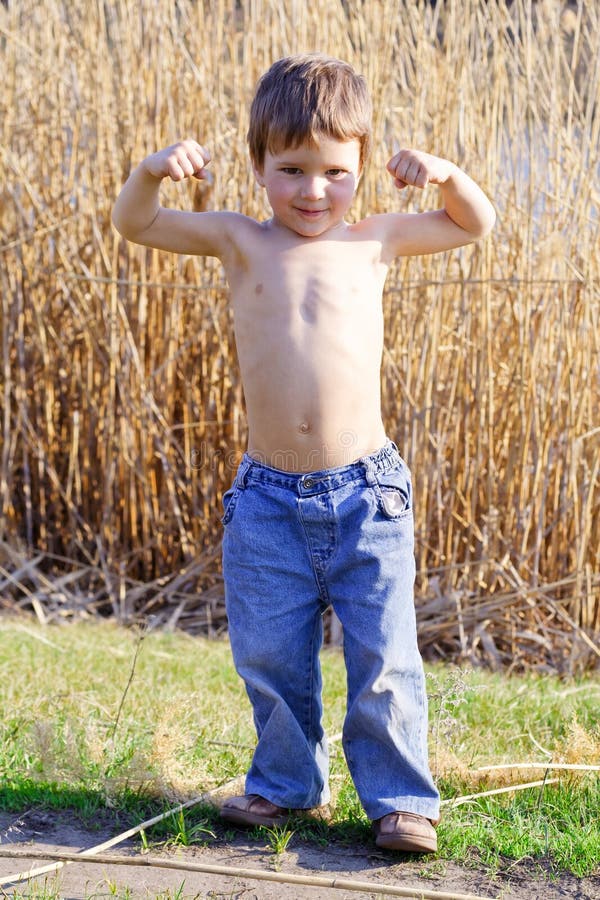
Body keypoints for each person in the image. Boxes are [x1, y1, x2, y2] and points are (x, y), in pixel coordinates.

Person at [112, 53, 495, 853]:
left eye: (334, 172)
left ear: (362, 166)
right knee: (270, 655)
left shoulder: (376, 240)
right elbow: (136, 223)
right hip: (266, 501)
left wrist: (446, 175)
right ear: (257, 165)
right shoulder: (240, 240)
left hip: (368, 494)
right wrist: (151, 171)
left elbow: (473, 223)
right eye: (291, 170)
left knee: (383, 656)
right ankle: (287, 785)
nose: (313, 191)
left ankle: (400, 800)